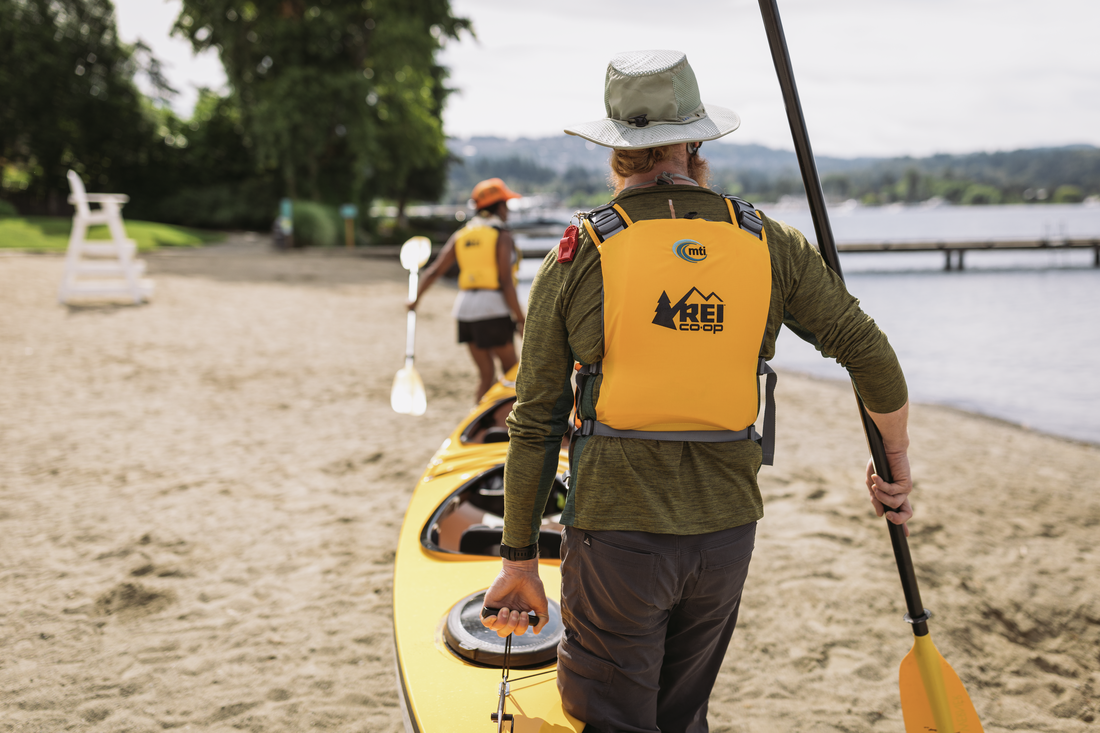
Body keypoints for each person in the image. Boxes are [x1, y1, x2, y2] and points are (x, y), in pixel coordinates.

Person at [480, 50, 914, 733]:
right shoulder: (769, 241)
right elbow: (870, 354)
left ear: (617, 150)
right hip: (725, 536)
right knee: (681, 716)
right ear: (697, 140)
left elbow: (535, 421)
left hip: (616, 536)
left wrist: (518, 559)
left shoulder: (580, 249)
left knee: (611, 717)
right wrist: (896, 464)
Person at [408, 178, 526, 402]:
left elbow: (434, 271)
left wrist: (415, 300)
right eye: (506, 205)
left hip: (464, 310)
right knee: (513, 373)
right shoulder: (502, 235)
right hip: (493, 309)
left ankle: (477, 421)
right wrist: (520, 318)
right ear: (499, 206)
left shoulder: (462, 235)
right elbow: (505, 281)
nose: (508, 210)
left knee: (486, 375)